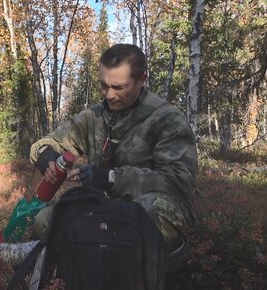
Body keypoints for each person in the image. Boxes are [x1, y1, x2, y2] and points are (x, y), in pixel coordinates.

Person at [30, 44, 198, 267]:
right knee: (46, 221)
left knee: (146, 215)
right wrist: (47, 156)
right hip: (103, 208)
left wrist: (111, 178)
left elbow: (179, 180)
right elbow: (45, 143)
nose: (109, 95)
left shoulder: (166, 120)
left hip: (148, 208)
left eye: (119, 87)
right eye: (104, 85)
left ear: (142, 79)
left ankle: (154, 268)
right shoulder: (94, 117)